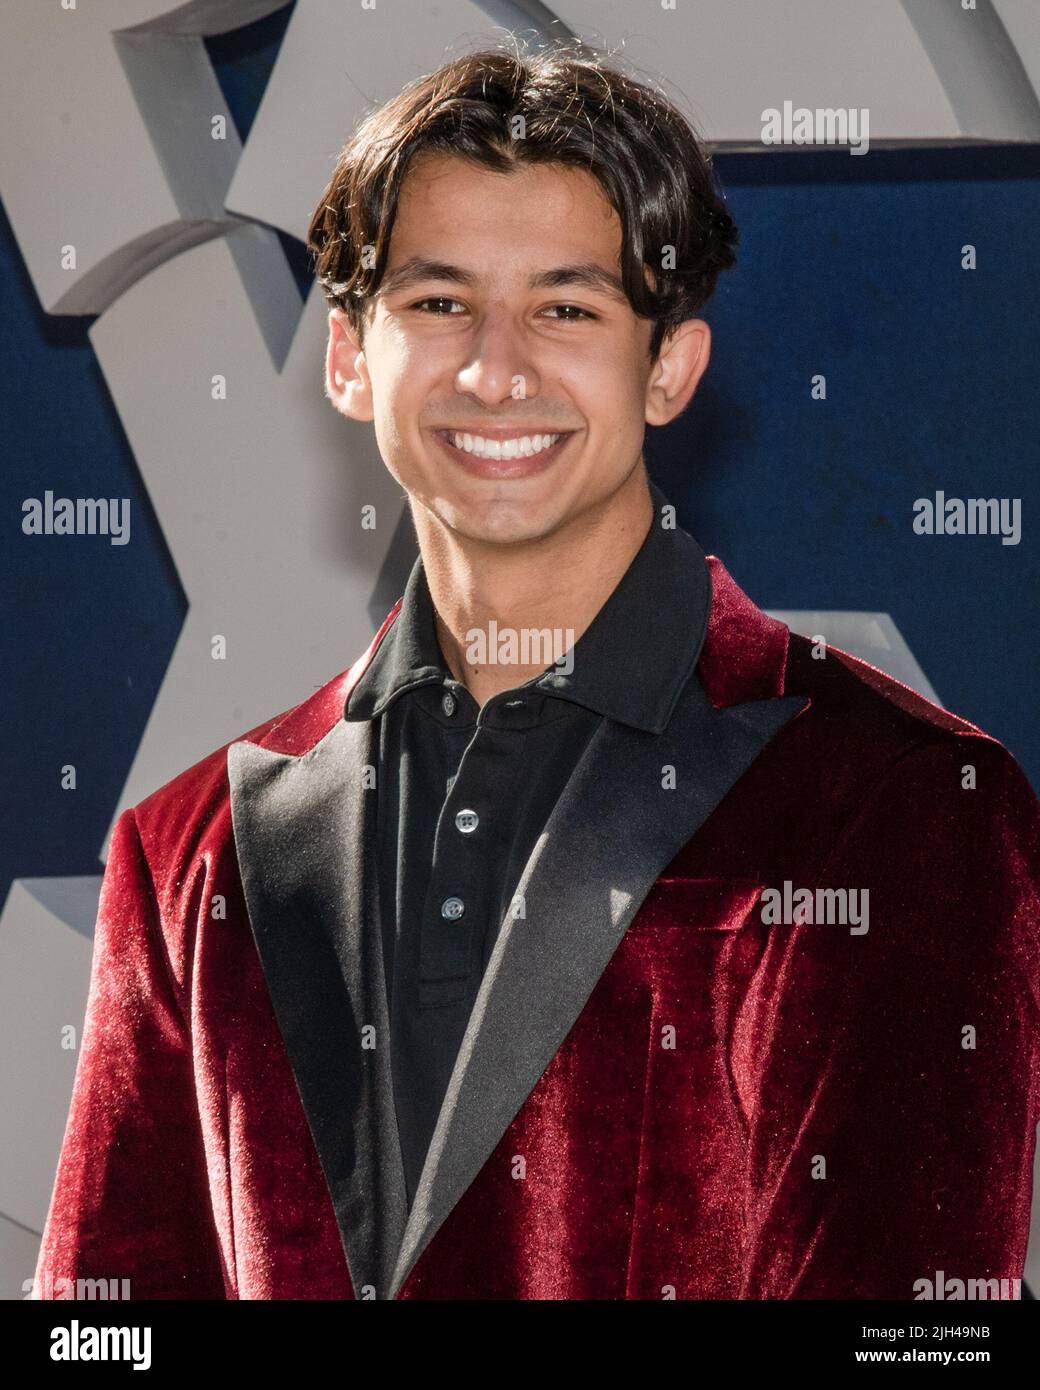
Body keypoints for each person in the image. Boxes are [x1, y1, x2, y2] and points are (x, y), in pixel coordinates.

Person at [34, 44, 1040, 1301]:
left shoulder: (896, 804)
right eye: (439, 302)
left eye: (565, 307)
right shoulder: (187, 852)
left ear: (666, 365)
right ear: (347, 355)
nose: (495, 369)